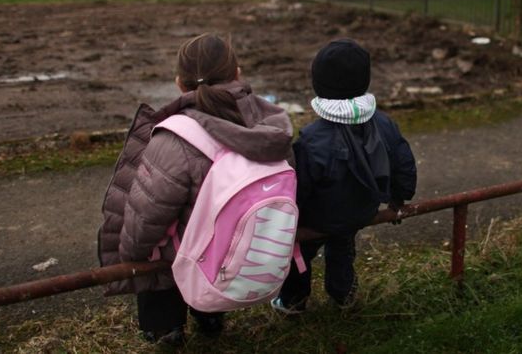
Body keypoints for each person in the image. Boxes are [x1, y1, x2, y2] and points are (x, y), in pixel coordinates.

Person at [97, 33, 293, 345]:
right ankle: (210, 317)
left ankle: (165, 331)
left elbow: (148, 213)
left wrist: (131, 255)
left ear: (179, 83)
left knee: (158, 257)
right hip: (233, 249)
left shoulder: (175, 138)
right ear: (237, 74)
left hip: (185, 253)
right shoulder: (269, 124)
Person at [271, 39, 417, 314]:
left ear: (319, 85)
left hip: (317, 218)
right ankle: (343, 295)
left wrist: (293, 217)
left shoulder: (312, 139)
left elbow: (300, 187)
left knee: (300, 254)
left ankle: (293, 301)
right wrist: (400, 197)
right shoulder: (384, 123)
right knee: (342, 249)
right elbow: (403, 162)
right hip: (362, 209)